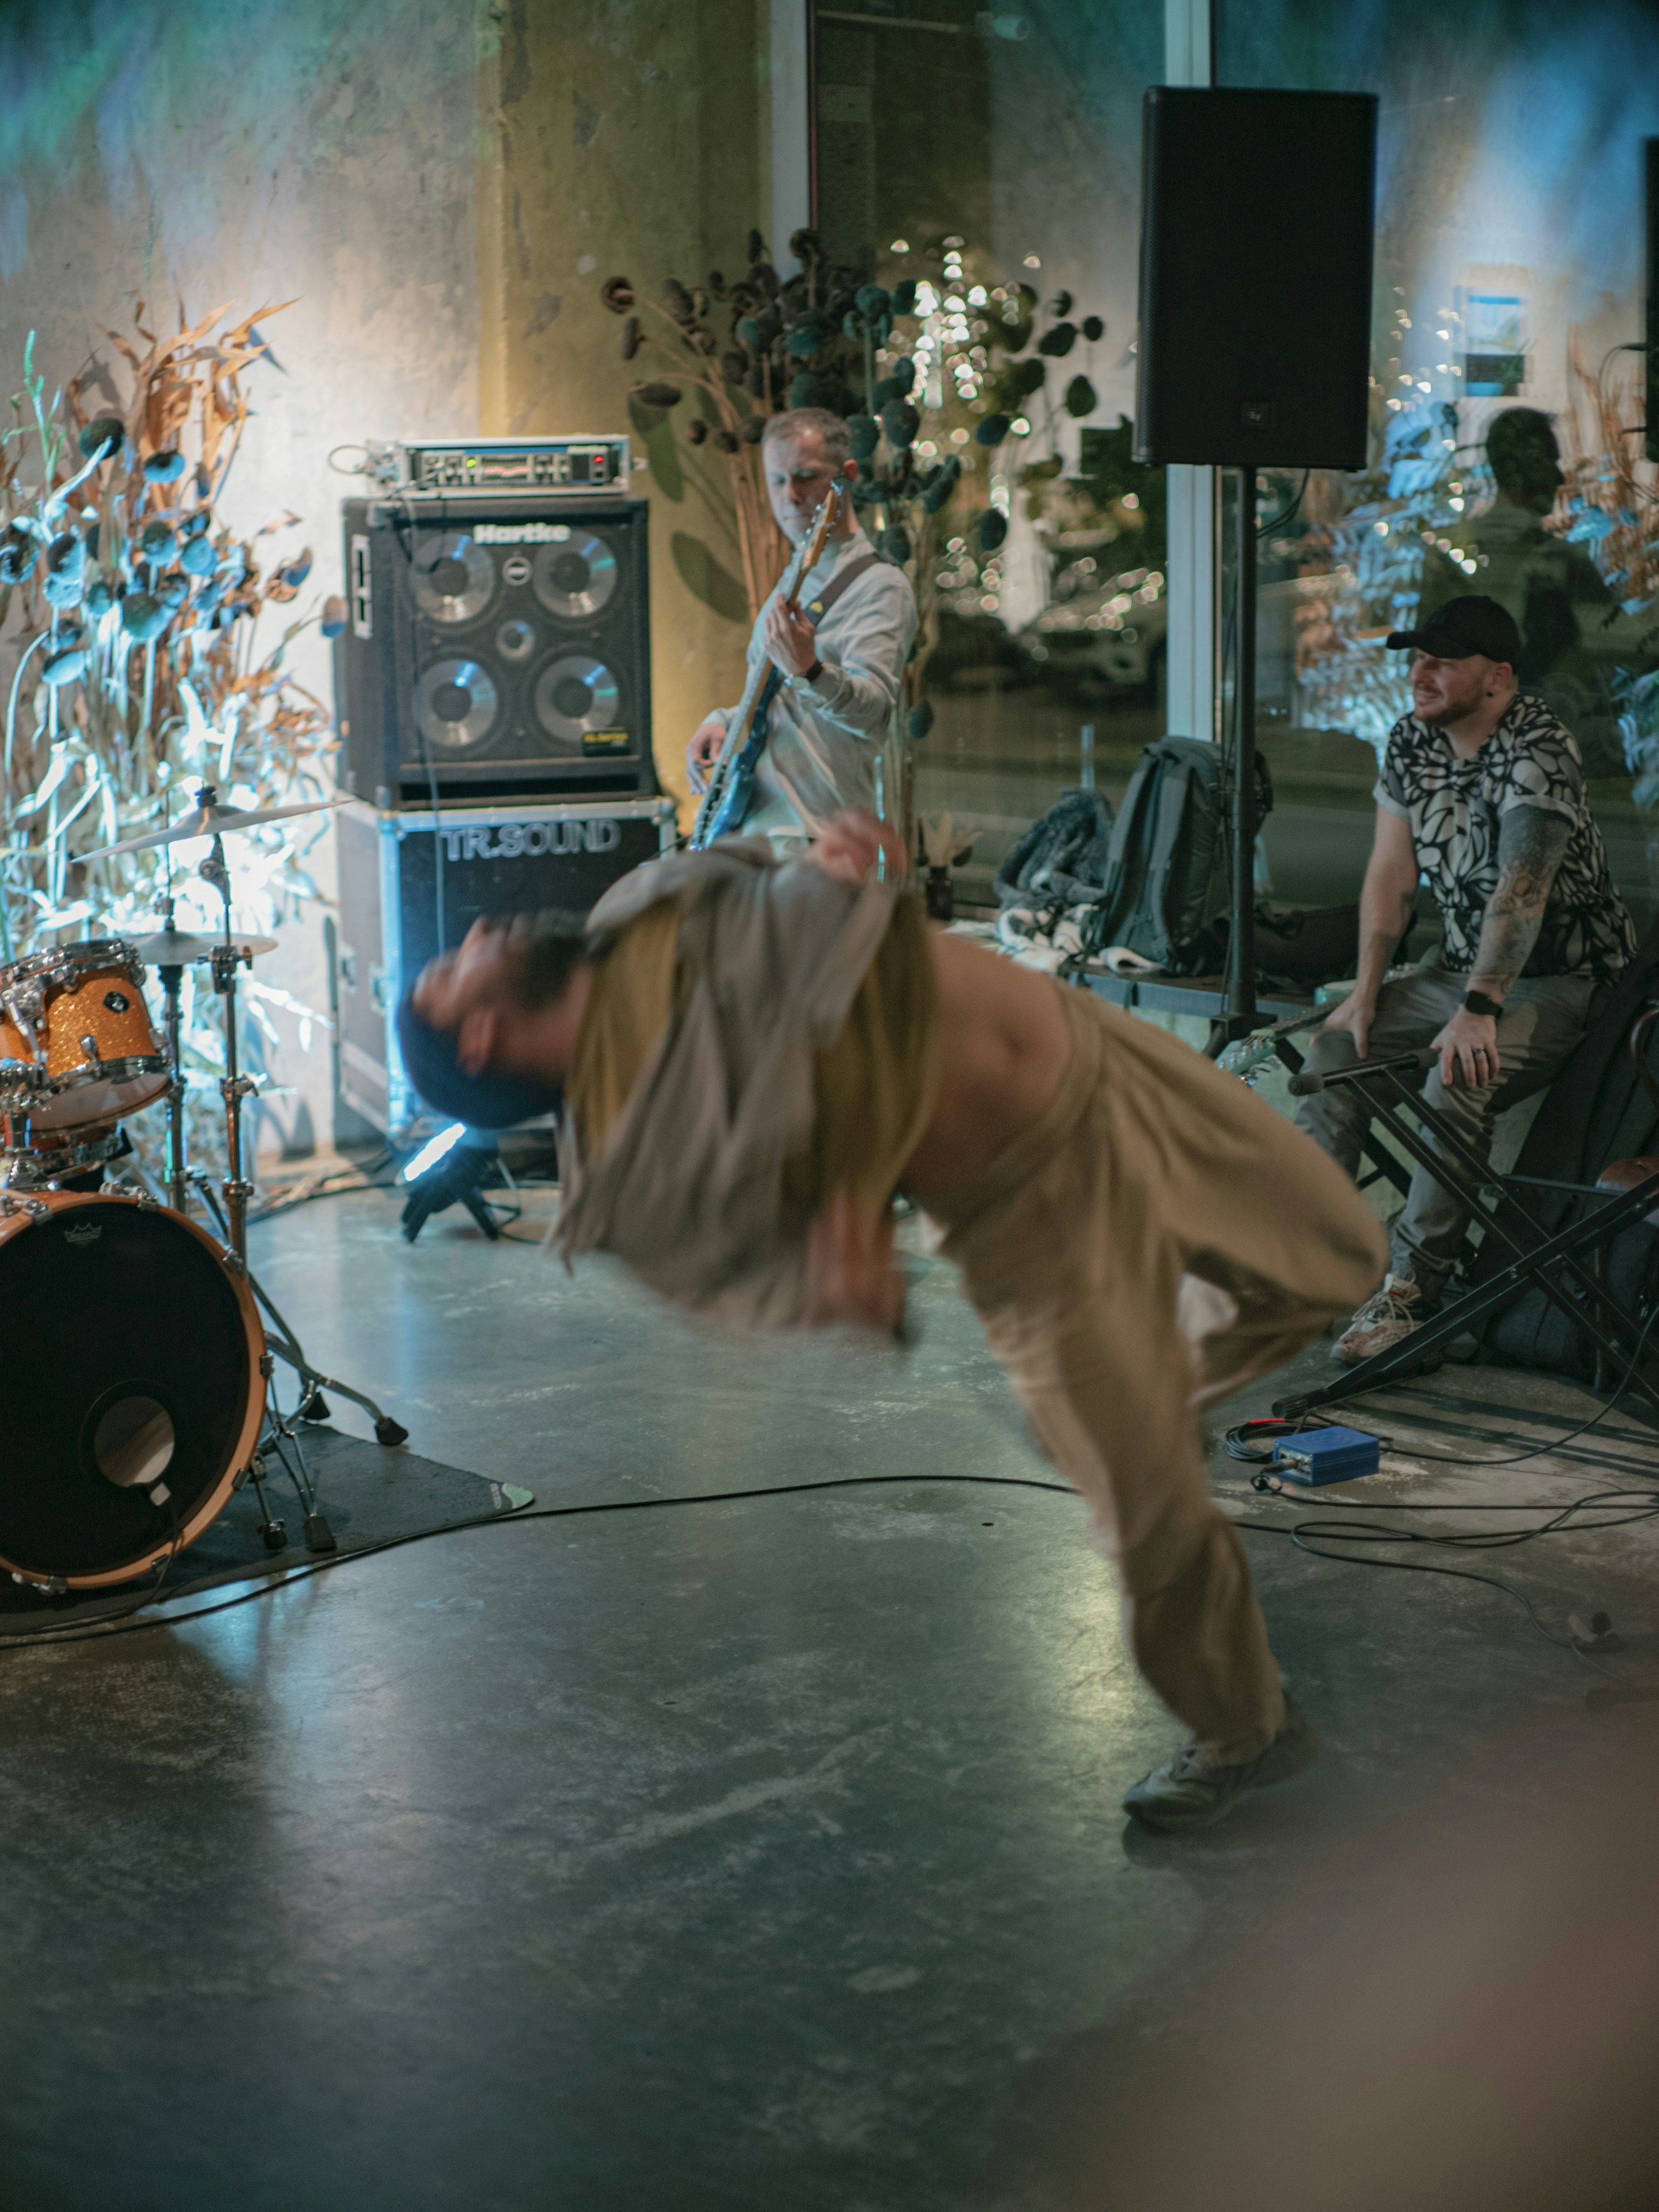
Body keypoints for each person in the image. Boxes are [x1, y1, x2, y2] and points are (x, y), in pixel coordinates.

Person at [397, 814, 1386, 1834]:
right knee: (1152, 1518)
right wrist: (836, 1266)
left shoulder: (639, 903)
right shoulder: (630, 1180)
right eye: (457, 969)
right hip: (1027, 1222)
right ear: (481, 1034)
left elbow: (780, 893)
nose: (480, 935)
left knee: (1342, 1254)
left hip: (1098, 1061)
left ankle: (1139, 1398)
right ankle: (1244, 1725)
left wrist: (825, 867)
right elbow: (761, 1279)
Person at [1297, 593, 1636, 1364]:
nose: (1420, 673)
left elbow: (1522, 891)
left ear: (1497, 677)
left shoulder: (1537, 746)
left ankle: (1413, 1294)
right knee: (1330, 1057)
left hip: (1564, 982)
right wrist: (1365, 990)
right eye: (1417, 658)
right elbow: (1388, 873)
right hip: (1456, 971)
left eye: (1442, 661)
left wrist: (1479, 1009)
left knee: (1457, 1075)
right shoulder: (1410, 741)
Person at [685, 408, 917, 852]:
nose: (789, 495)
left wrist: (810, 670)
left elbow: (875, 716)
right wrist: (726, 722)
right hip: (754, 828)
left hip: (819, 837)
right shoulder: (796, 572)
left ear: (845, 477)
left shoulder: (879, 586)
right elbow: (782, 703)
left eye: (805, 476)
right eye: (776, 480)